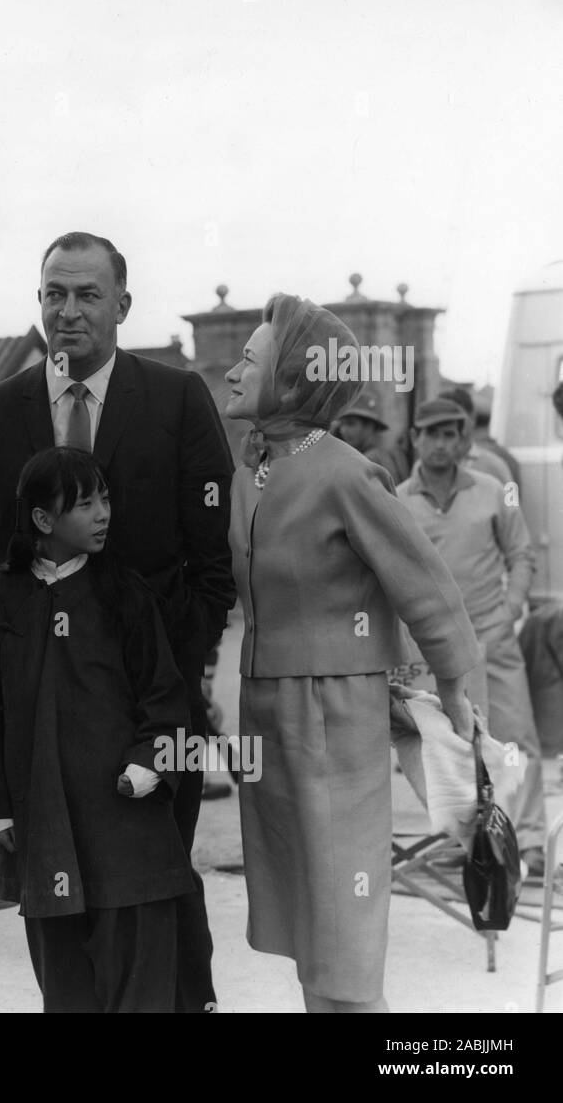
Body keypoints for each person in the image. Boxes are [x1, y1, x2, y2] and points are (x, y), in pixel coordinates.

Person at [0, 231, 234, 1012]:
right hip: (41, 715)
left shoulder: (177, 397)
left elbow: (209, 560)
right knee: (55, 892)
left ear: (123, 303)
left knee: (155, 883)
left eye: (88, 294)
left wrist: (172, 671)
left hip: (150, 705)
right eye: (54, 293)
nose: (68, 310)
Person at [224, 294, 480, 1013]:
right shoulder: (255, 471)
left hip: (336, 711)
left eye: (254, 353)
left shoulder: (343, 471)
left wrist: (457, 689)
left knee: (343, 933)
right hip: (268, 714)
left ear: (296, 378)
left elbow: (426, 586)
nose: (239, 364)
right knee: (308, 924)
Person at [0, 447, 194, 1012]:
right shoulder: (1, 600)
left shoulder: (126, 593)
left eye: (106, 499)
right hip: (42, 820)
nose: (103, 515)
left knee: (139, 980)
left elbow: (165, 693)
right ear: (43, 521)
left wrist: (149, 763)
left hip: (126, 820)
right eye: (85, 503)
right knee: (65, 985)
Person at [396, 397, 548, 878]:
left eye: (449, 433)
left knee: (514, 741)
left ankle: (531, 844)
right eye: (430, 433)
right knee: (447, 748)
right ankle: (473, 848)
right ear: (415, 438)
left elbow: (521, 553)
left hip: (491, 636)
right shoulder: (396, 500)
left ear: (463, 439)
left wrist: (511, 608)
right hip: (432, 648)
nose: (440, 444)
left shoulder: (497, 487)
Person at [438, 387, 515, 489]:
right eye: (445, 421)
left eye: (459, 419)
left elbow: (512, 503)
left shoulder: (496, 466)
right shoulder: (429, 465)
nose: (452, 426)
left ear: (472, 418)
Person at [331, 388, 407, 484]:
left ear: (369, 427)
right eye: (342, 424)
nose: (344, 430)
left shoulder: (371, 460)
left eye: (351, 424)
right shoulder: (387, 455)